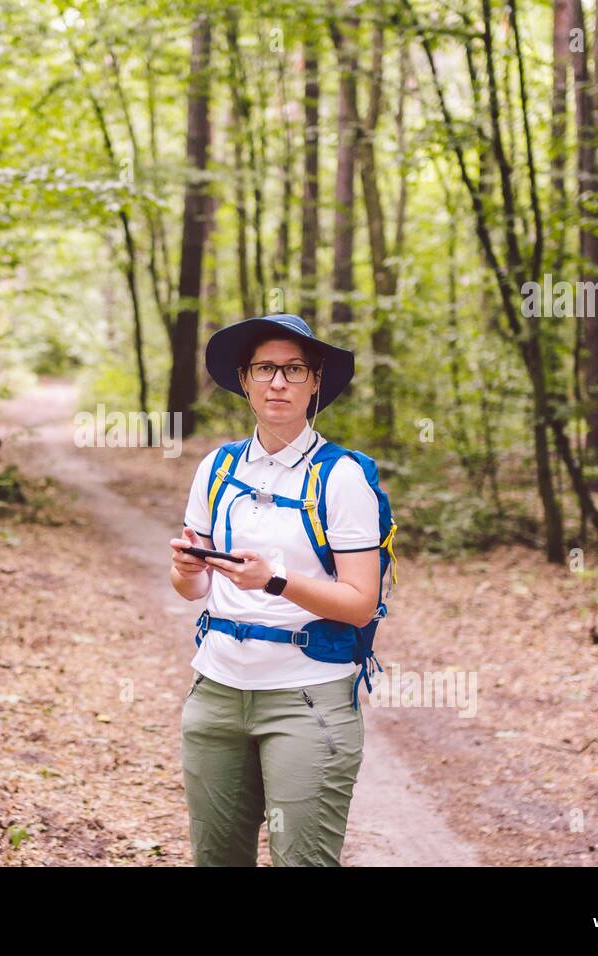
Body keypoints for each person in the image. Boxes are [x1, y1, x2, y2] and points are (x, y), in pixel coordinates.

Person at [169, 313, 382, 867]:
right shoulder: (217, 467)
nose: (278, 382)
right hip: (215, 691)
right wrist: (190, 567)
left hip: (307, 699)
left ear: (316, 382)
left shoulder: (342, 478)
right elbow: (190, 590)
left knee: (303, 861)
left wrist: (276, 581)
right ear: (245, 379)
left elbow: (360, 605)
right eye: (266, 368)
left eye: (294, 369)